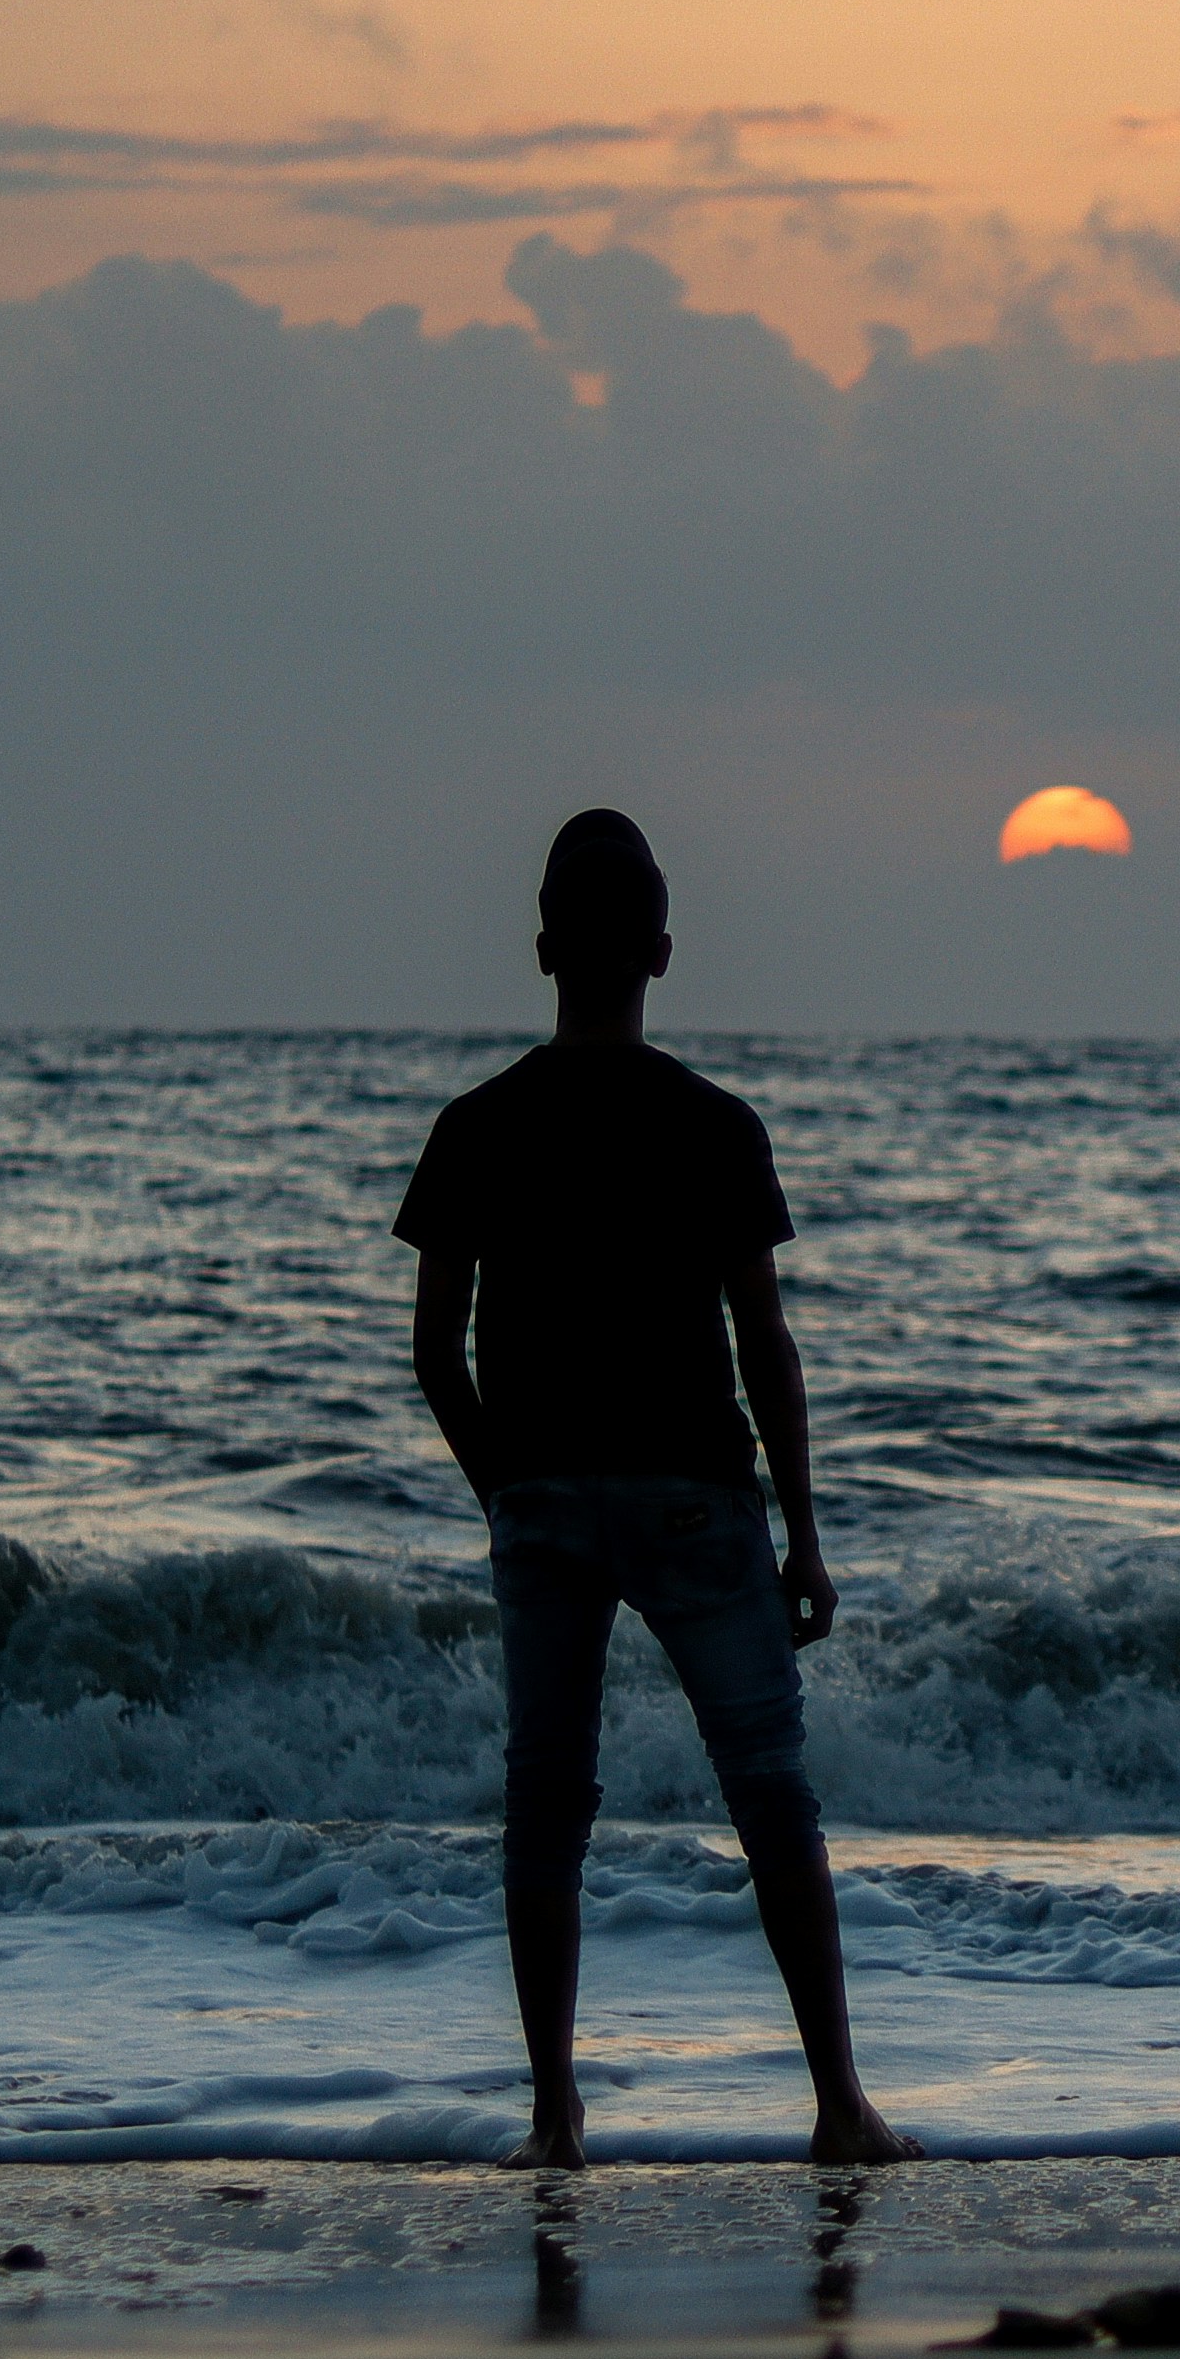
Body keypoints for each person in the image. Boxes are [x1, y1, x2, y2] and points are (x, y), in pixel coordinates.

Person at [399, 808, 909, 2169]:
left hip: (549, 1498)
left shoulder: (477, 1127)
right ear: (663, 955)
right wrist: (805, 1532)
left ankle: (556, 2116)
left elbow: (434, 1351)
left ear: (546, 950)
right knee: (769, 1797)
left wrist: (499, 1486)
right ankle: (837, 2106)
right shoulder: (713, 1126)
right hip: (694, 1493)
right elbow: (766, 1344)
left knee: (548, 1804)